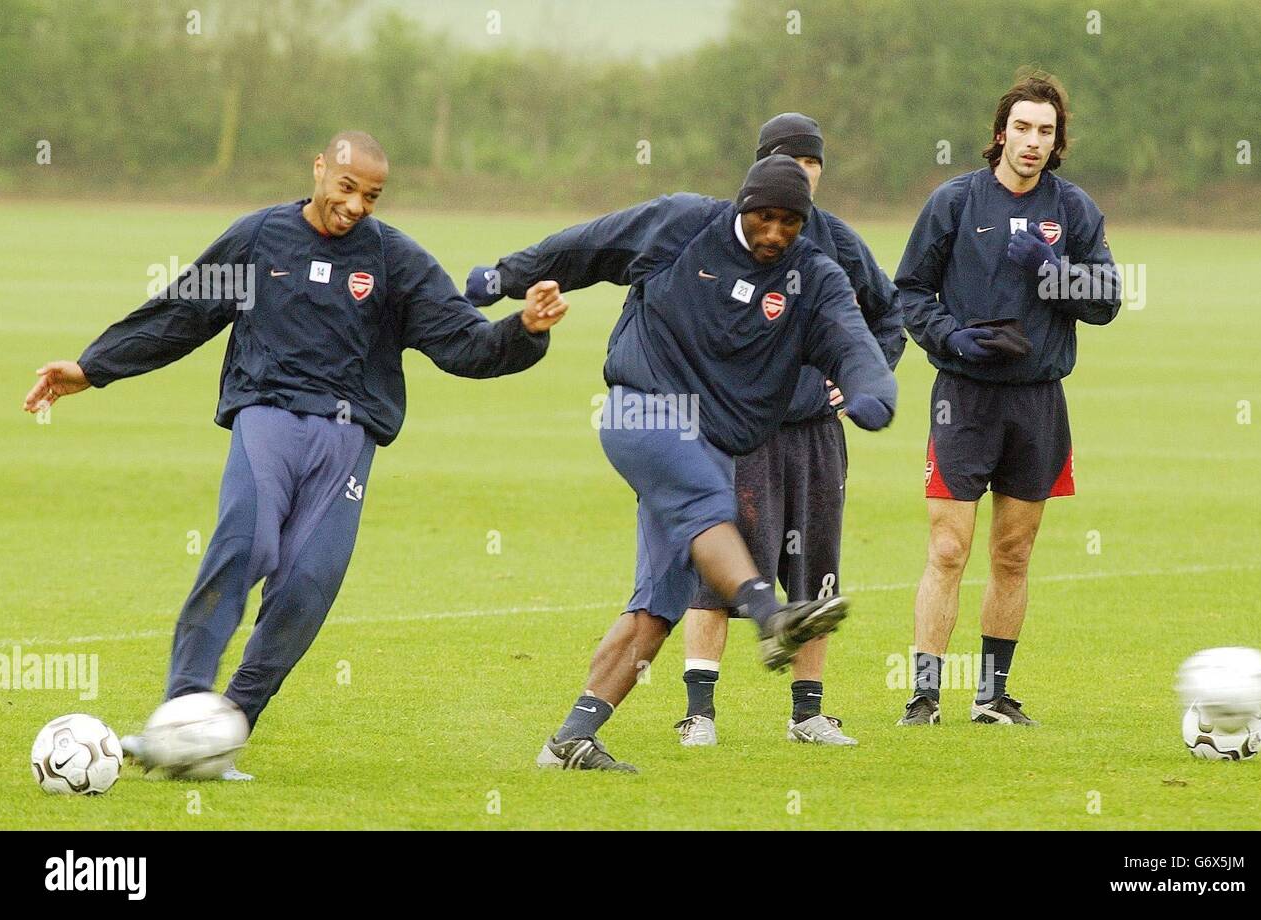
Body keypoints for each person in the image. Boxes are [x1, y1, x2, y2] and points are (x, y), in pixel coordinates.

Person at [22, 131, 568, 778]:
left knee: (308, 585)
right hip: (266, 417)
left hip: (348, 439)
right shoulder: (258, 239)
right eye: (347, 187)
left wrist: (524, 330)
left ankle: (221, 731)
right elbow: (181, 314)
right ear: (318, 170)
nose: (356, 205)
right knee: (244, 547)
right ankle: (181, 712)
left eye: (371, 196)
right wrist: (93, 367)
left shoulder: (396, 260)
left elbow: (462, 343)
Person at [467, 155, 897, 771]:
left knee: (658, 605)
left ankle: (570, 740)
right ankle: (768, 614)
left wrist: (870, 388)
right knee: (711, 506)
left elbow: (851, 338)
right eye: (765, 218)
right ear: (743, 206)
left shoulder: (814, 276)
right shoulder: (683, 224)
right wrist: (504, 276)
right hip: (642, 409)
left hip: (713, 443)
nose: (776, 233)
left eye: (791, 223)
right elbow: (587, 247)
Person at [894, 70, 1120, 727]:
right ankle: (924, 695)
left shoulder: (1073, 210)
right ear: (1000, 133)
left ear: (1057, 141)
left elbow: (1108, 300)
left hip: (1037, 402)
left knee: (1013, 554)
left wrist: (1054, 271)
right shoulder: (954, 202)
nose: (1032, 141)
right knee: (947, 550)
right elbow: (910, 291)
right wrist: (952, 338)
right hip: (962, 400)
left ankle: (991, 697)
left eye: (1045, 131)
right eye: (1022, 127)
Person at [676, 113, 906, 748]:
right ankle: (699, 714)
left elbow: (890, 317)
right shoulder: (720, 239)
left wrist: (860, 381)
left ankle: (807, 714)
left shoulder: (838, 242)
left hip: (816, 436)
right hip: (740, 435)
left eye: (810, 163)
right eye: (787, 160)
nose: (801, 173)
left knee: (816, 577)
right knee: (719, 570)